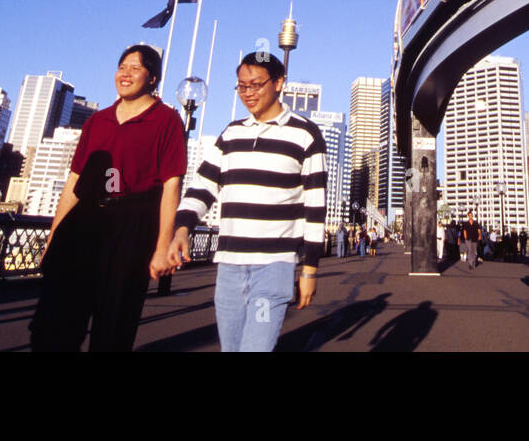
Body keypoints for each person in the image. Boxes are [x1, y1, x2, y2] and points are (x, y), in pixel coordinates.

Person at [30, 44, 186, 351]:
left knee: (114, 321)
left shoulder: (166, 120)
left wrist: (161, 247)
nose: (125, 74)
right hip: (85, 220)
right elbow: (74, 181)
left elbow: (172, 184)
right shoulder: (97, 120)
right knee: (56, 320)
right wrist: (53, 238)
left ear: (152, 78)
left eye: (135, 68)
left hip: (133, 223)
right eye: (122, 67)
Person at [168, 52, 326, 352]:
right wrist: (182, 229)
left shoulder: (305, 134)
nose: (248, 93)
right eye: (241, 86)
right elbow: (202, 187)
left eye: (256, 85)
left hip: (274, 266)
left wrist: (310, 270)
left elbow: (315, 207)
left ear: (279, 83)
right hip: (228, 264)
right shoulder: (231, 134)